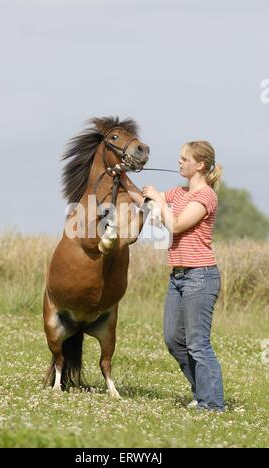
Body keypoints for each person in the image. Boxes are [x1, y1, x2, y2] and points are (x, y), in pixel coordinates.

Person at [120, 140, 225, 412]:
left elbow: (176, 225)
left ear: (199, 164)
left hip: (200, 277)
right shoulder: (179, 193)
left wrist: (157, 198)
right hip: (178, 277)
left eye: (184, 158)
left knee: (198, 344)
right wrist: (122, 176)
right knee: (173, 340)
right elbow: (144, 201)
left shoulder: (206, 197)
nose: (179, 161)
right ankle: (202, 393)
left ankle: (212, 404)